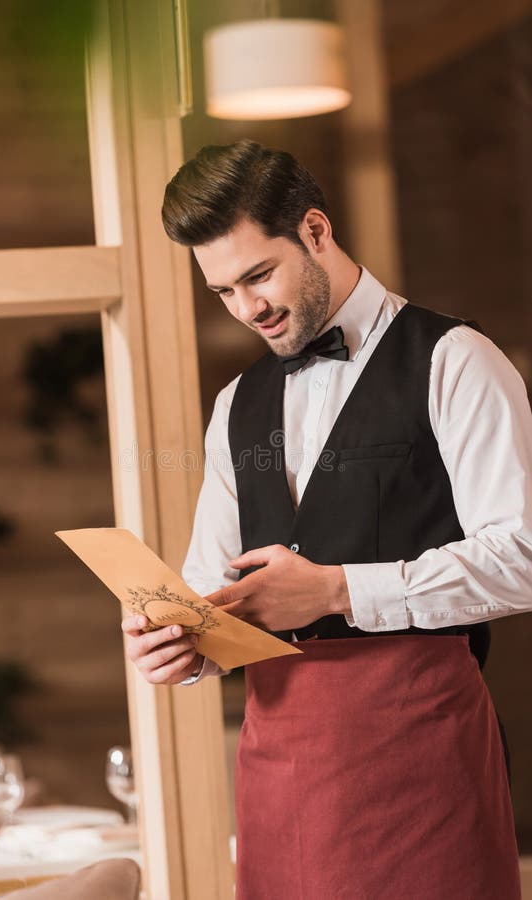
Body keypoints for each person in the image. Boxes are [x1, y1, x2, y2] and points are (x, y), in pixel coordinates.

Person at [122, 140, 532, 899]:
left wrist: (339, 589)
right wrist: (183, 643)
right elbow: (213, 586)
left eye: (258, 275)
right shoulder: (235, 405)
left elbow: (522, 556)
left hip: (422, 755)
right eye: (223, 291)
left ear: (315, 230)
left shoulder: (455, 359)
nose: (247, 309)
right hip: (279, 763)